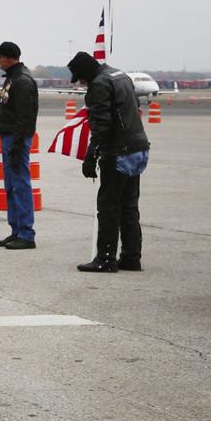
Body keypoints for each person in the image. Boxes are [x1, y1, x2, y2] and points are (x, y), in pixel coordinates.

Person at [66, 51, 151, 272]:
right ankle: (132, 257)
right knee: (129, 205)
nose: (82, 84)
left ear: (85, 73)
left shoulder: (100, 85)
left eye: (81, 79)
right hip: (138, 146)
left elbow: (101, 124)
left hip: (119, 150)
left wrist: (91, 155)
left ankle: (105, 258)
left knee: (108, 206)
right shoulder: (120, 75)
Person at [0, 42, 38, 249]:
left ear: (8, 58)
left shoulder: (22, 81)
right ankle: (16, 230)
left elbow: (25, 115)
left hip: (16, 138)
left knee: (20, 185)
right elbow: (11, 108)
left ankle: (26, 234)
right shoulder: (13, 79)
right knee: (11, 186)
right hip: (9, 136)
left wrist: (19, 143)